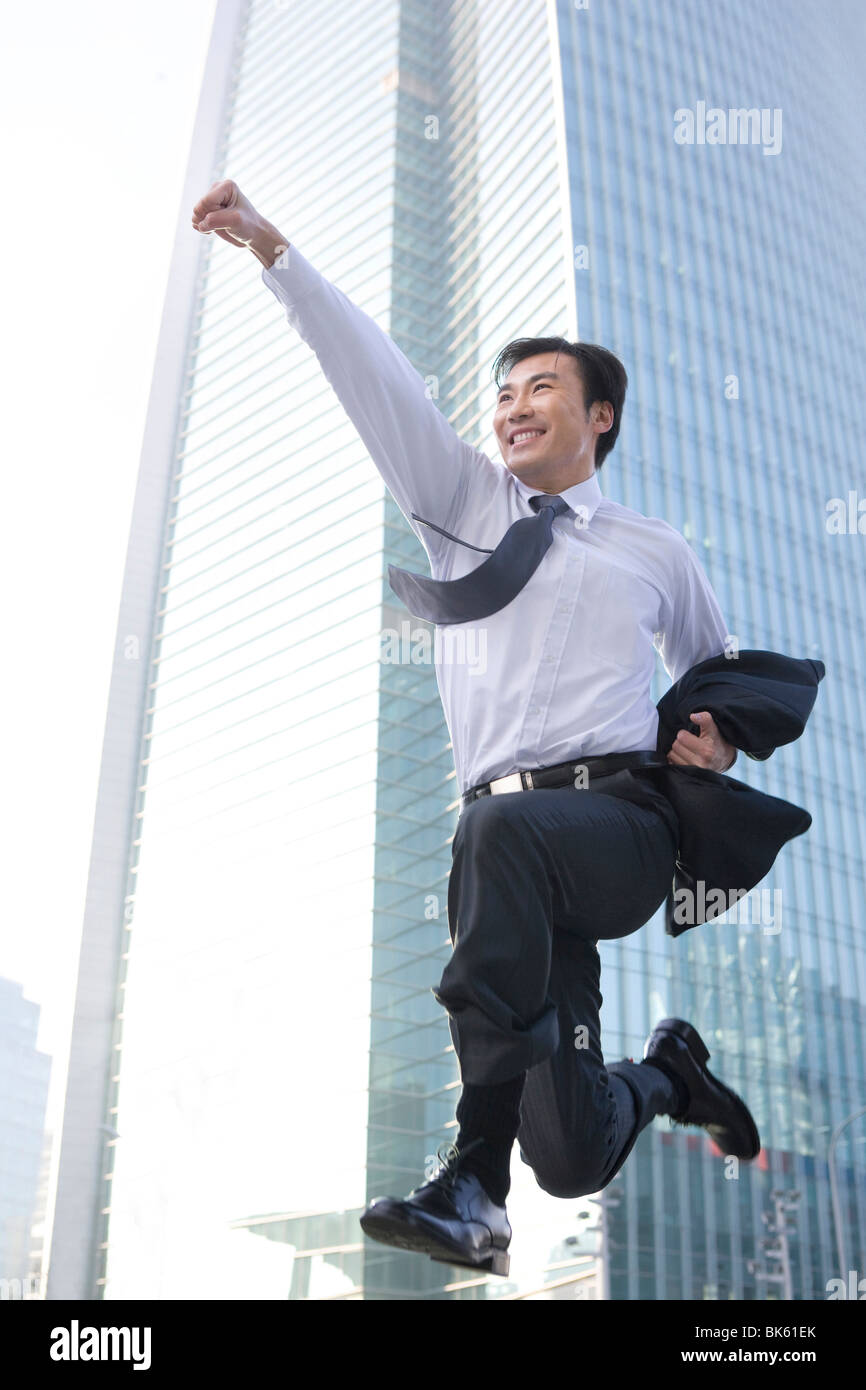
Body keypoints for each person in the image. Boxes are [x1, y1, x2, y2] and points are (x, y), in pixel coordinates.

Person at [191, 179, 762, 1280]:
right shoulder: (459, 503)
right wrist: (274, 253)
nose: (512, 406)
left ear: (599, 416)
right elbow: (375, 380)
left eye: (540, 387)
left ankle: (469, 1182)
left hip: (615, 827)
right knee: (573, 1151)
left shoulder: (653, 550)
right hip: (507, 863)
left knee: (494, 837)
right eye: (503, 392)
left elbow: (716, 680)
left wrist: (714, 744)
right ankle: (665, 1075)